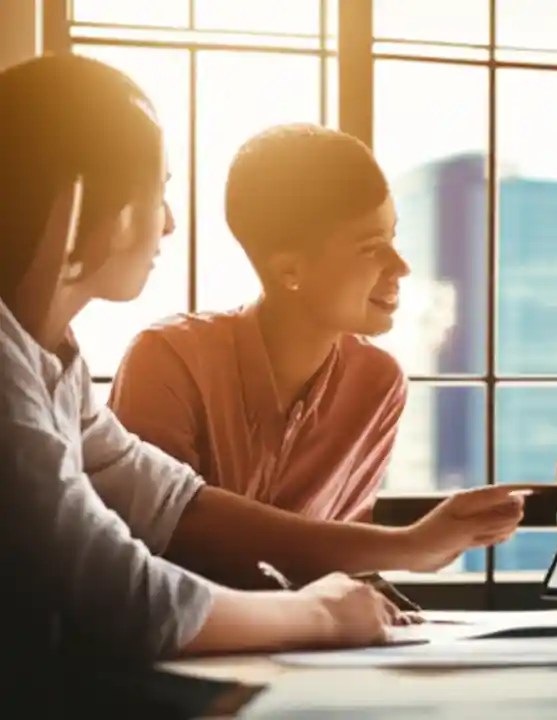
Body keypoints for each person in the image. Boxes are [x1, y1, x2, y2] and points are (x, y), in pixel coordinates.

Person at [0, 55, 525, 686]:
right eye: (156, 191)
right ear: (79, 201)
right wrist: (319, 617)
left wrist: (411, 545)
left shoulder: (50, 358)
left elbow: (173, 500)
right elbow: (125, 594)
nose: (167, 221)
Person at [110, 124, 408, 524]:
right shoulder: (169, 361)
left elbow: (343, 551)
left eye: (393, 237)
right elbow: (161, 542)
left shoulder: (377, 382)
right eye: (371, 248)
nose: (401, 267)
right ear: (289, 270)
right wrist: (410, 545)